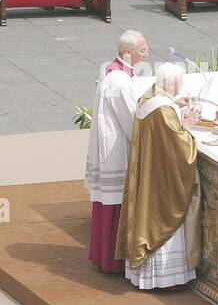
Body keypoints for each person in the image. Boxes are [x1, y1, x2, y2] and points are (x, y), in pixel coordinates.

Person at [115, 63, 202, 291]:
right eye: (179, 83)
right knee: (162, 216)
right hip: (161, 181)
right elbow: (179, 148)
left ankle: (142, 274)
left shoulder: (150, 96)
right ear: (173, 83)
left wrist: (175, 104)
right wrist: (188, 127)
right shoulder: (163, 111)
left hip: (148, 172)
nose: (180, 87)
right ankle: (164, 279)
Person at [85, 30, 146, 274]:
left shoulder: (113, 71)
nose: (147, 54)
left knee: (108, 204)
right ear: (128, 52)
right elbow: (132, 121)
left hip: (109, 146)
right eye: (143, 50)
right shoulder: (119, 81)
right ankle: (114, 261)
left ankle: (104, 257)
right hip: (117, 151)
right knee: (115, 205)